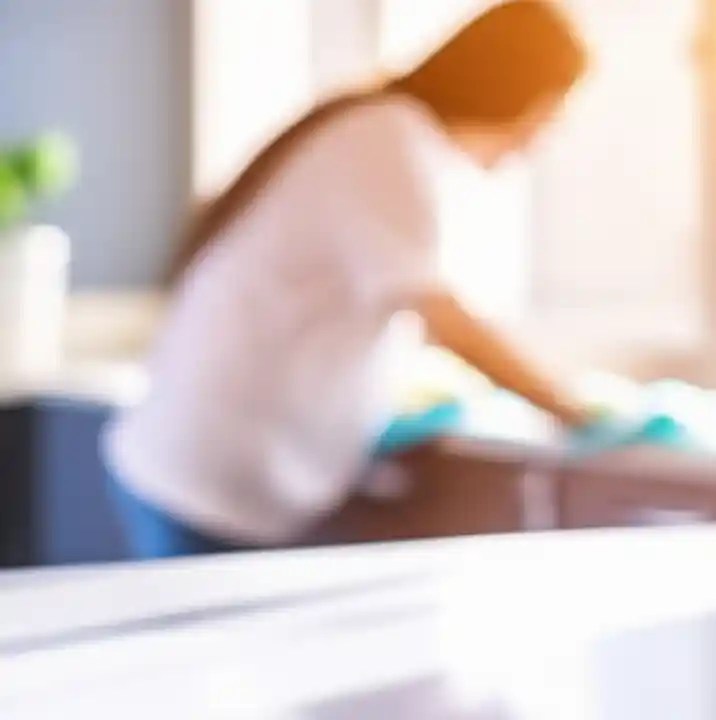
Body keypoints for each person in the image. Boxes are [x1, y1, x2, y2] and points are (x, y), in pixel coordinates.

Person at [104, 0, 589, 557]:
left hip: (204, 462)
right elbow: (441, 316)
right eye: (552, 112)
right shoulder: (387, 141)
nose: (543, 136)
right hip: (210, 473)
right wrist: (569, 407)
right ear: (519, 91)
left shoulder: (385, 132)